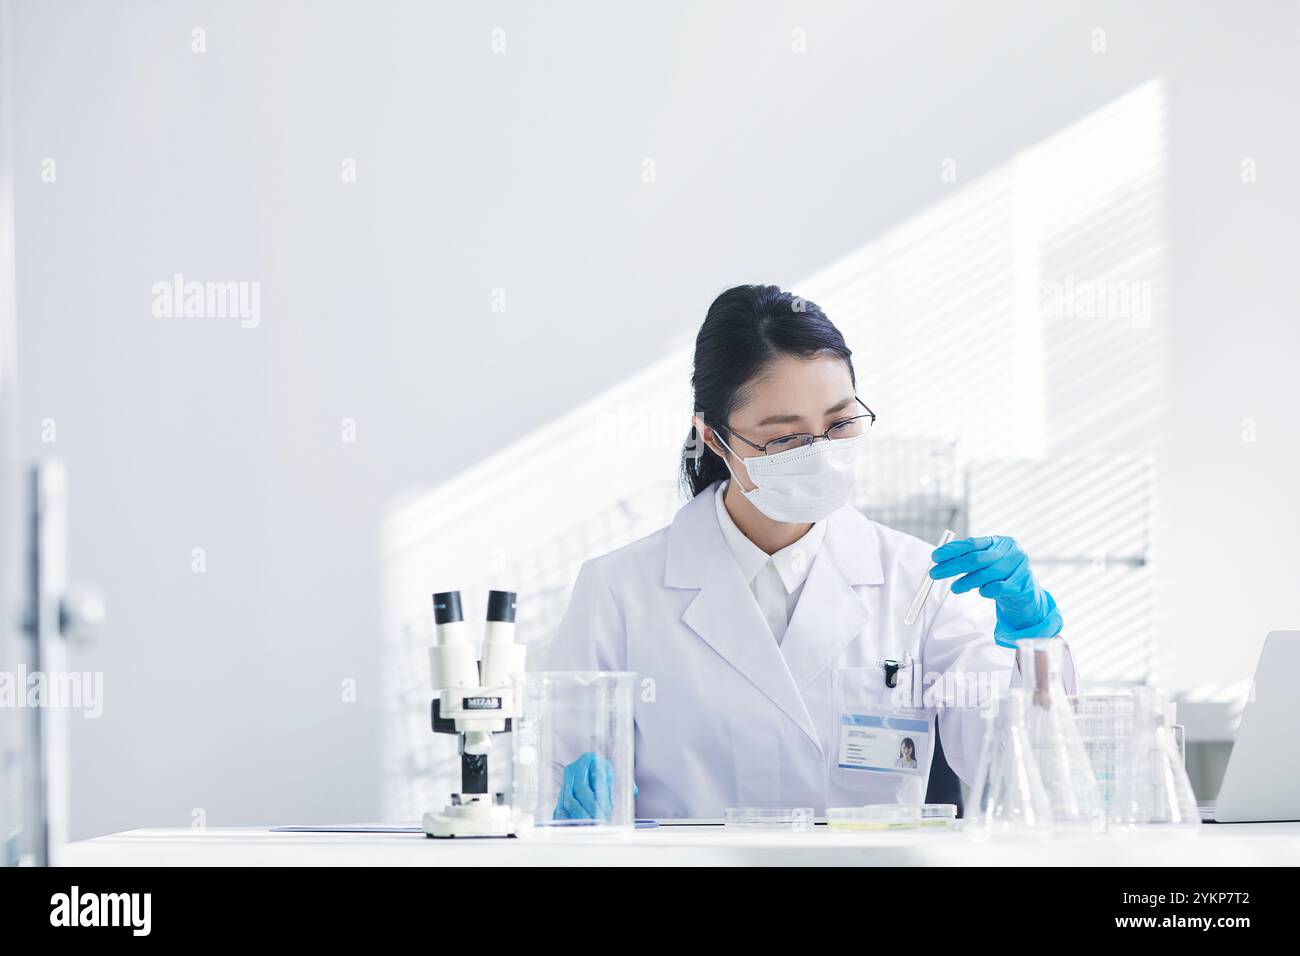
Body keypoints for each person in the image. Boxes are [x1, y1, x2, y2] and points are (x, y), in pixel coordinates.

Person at [546, 284, 1073, 820]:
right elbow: (558, 775)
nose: (821, 452)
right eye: (785, 439)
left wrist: (1034, 647)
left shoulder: (919, 580)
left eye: (840, 423)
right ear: (712, 437)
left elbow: (1013, 766)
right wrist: (568, 817)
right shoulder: (620, 592)